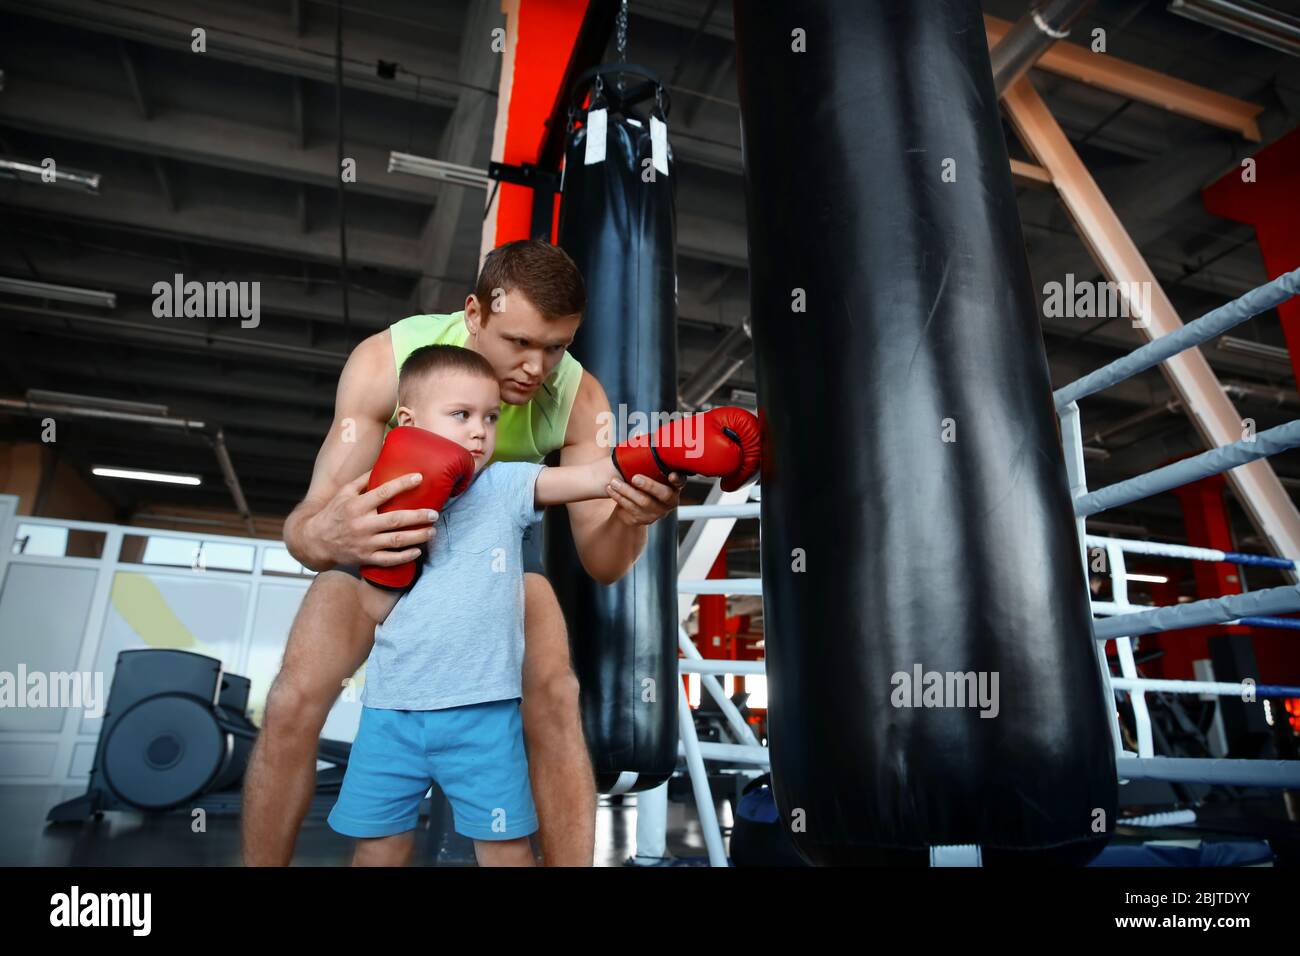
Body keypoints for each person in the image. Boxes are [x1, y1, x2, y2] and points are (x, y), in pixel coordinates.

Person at [241, 239, 686, 866]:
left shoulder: (580, 398)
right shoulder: (388, 363)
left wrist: (637, 518)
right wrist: (327, 536)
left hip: (488, 565)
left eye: (554, 347)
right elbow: (303, 532)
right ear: (474, 314)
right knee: (291, 699)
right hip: (377, 562)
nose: (537, 367)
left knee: (556, 698)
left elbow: (605, 560)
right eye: (519, 342)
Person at [330, 345, 759, 866]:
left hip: (482, 715)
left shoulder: (504, 485)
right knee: (378, 846)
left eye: (490, 417)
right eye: (461, 415)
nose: (478, 432)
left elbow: (594, 476)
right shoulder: (383, 498)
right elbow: (374, 609)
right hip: (391, 711)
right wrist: (402, 532)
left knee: (506, 847)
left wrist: (667, 451)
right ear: (408, 420)